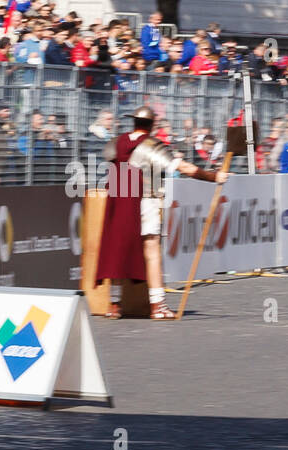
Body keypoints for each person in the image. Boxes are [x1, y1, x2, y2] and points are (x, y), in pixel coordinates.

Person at [95, 106, 228, 320]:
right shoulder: (152, 145)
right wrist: (212, 177)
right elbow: (182, 167)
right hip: (146, 201)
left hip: (119, 202)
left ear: (134, 122)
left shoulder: (117, 142)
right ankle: (158, 306)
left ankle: (114, 304)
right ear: (151, 125)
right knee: (152, 251)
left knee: (117, 250)